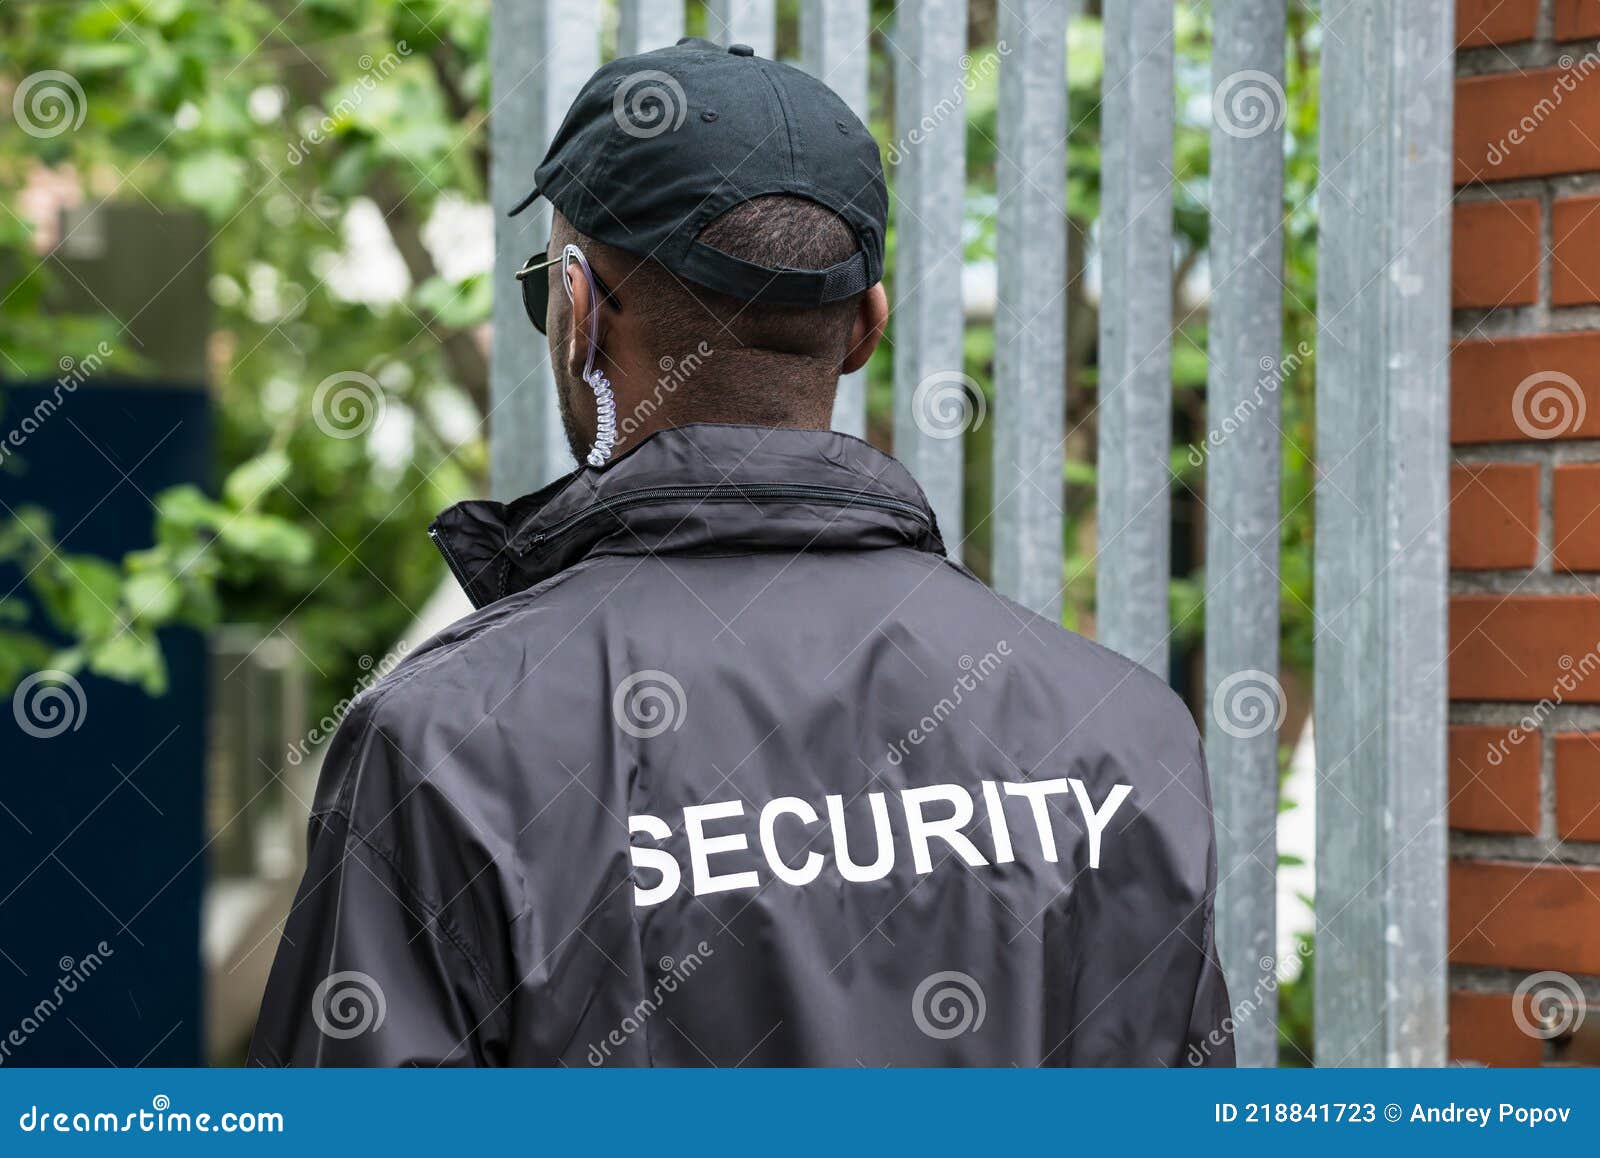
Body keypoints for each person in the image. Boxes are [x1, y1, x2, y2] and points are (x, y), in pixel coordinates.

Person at [248, 37, 1233, 1067]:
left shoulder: (451, 746)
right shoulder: (1122, 733)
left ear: (578, 314)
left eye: (545, 290)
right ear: (866, 327)